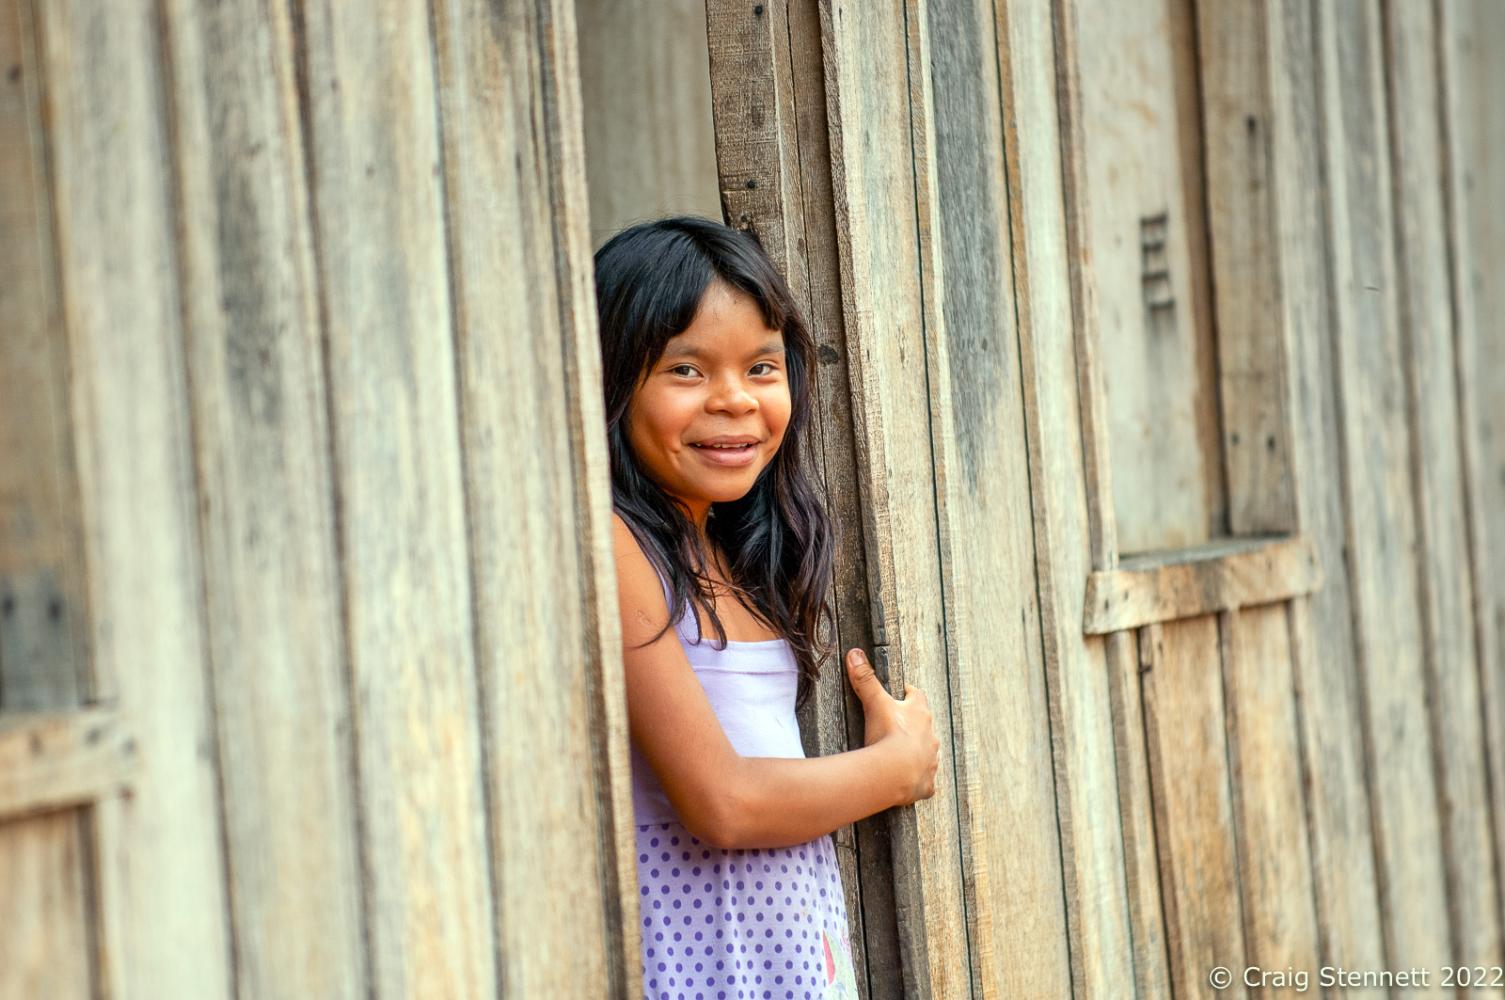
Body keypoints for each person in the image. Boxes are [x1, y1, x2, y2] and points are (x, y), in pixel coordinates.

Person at [597, 216, 941, 1000]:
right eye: (686, 370)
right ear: (612, 381)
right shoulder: (615, 545)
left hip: (784, 956)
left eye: (760, 367)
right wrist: (893, 769)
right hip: (698, 958)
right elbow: (721, 803)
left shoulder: (730, 553)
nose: (734, 400)